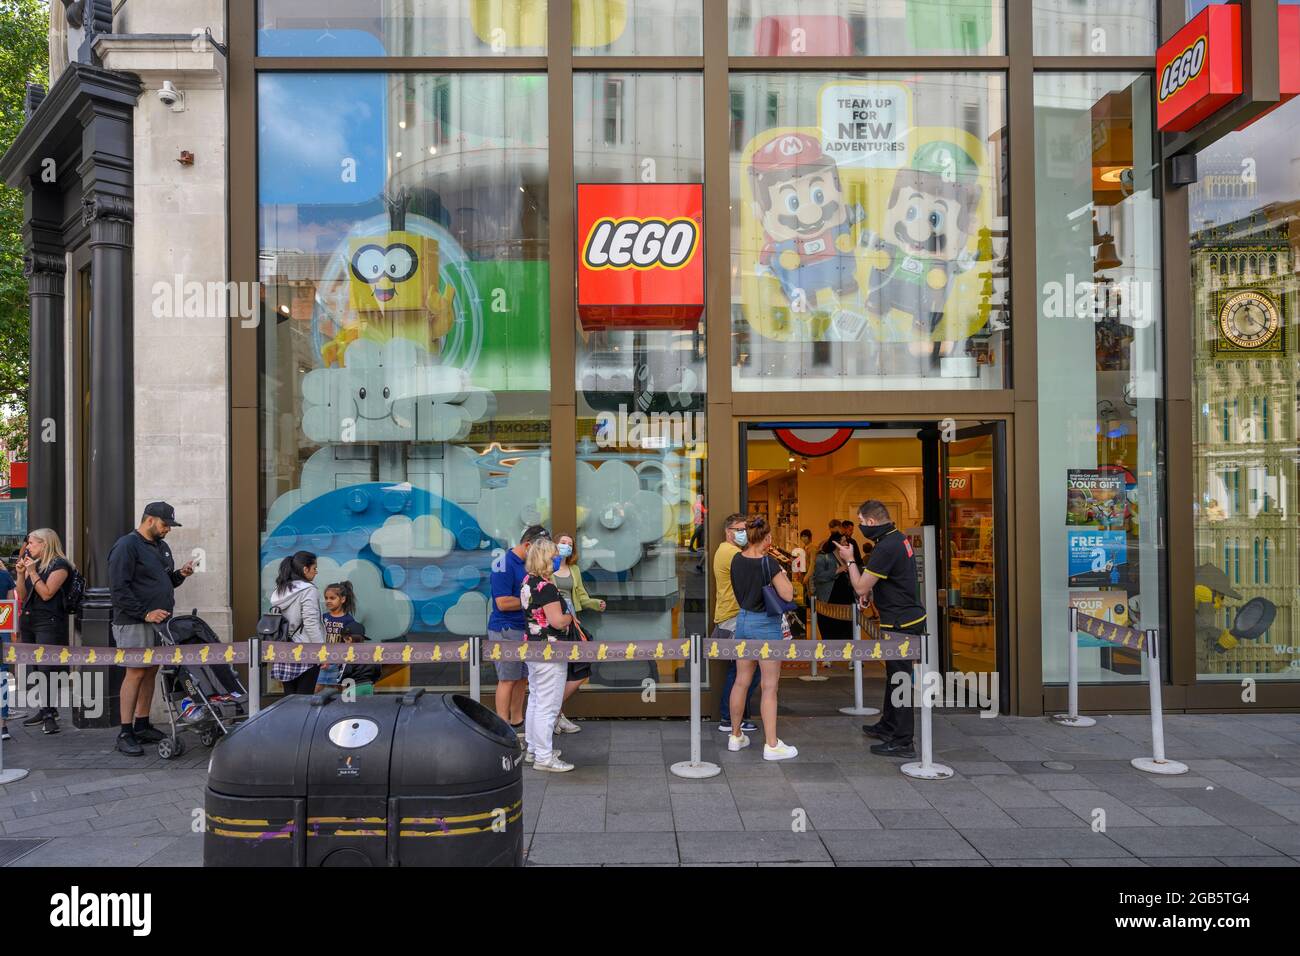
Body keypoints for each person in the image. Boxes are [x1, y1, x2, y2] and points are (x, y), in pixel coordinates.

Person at [837, 500, 925, 759]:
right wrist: (872, 594)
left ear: (871, 522)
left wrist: (850, 560)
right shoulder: (895, 538)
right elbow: (887, 580)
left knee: (900, 679)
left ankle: (903, 739)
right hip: (902, 617)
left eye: (861, 522)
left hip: (901, 621)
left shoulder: (886, 546)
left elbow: (861, 586)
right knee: (895, 675)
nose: (861, 527)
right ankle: (889, 725)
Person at [108, 502, 195, 755]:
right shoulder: (126, 546)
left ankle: (142, 724)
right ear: (149, 520)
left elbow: (166, 581)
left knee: (150, 672)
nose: (168, 529)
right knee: (135, 672)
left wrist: (181, 574)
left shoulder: (162, 547)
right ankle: (125, 732)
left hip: (160, 622)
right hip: (134, 622)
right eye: (165, 524)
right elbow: (118, 589)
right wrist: (145, 613)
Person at [726, 515, 798, 761]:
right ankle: (772, 744)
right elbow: (787, 594)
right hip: (766, 624)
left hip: (743, 620)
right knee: (769, 686)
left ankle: (735, 736)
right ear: (767, 538)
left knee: (741, 681)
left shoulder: (736, 560)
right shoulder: (769, 564)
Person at [520, 536, 574, 773]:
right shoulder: (547, 587)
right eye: (553, 557)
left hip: (533, 648)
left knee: (535, 700)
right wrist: (569, 616)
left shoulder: (527, 582)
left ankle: (534, 749)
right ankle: (544, 756)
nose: (556, 560)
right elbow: (557, 621)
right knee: (548, 705)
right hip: (550, 651)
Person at [14, 529, 74, 736]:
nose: (28, 547)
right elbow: (22, 595)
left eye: (31, 543)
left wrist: (31, 572)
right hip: (29, 619)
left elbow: (47, 594)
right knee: (36, 666)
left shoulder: (60, 565)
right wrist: (21, 574)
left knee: (47, 667)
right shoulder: (35, 564)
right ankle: (45, 709)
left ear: (45, 544)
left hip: (48, 621)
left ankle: (49, 714)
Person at [490, 524, 548, 733]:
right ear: (527, 544)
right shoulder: (503, 564)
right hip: (506, 629)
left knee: (522, 678)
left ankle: (517, 723)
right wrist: (534, 599)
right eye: (539, 550)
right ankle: (502, 730)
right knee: (507, 679)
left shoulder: (527, 563)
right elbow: (502, 603)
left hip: (525, 629)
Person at [551, 533, 604, 735]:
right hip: (554, 625)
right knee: (558, 672)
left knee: (580, 667)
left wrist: (595, 604)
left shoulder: (574, 570)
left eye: (569, 544)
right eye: (562, 542)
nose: (565, 546)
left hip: (572, 624)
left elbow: (581, 595)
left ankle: (554, 712)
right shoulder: (547, 569)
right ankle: (555, 715)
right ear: (554, 544)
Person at [712, 513, 757, 734]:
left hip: (732, 616)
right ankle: (729, 717)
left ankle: (734, 716)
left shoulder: (730, 551)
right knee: (743, 670)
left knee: (743, 669)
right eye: (740, 529)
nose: (744, 533)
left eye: (746, 529)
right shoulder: (731, 553)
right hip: (733, 617)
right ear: (729, 532)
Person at [267, 551, 325, 695]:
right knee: (304, 700)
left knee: (289, 698)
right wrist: (322, 652)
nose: (316, 572)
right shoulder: (308, 590)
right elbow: (311, 623)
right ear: (305, 569)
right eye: (314, 568)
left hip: (283, 649)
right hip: (306, 650)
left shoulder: (280, 590)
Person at [316, 581, 357, 693]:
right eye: (326, 598)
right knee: (316, 689)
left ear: (342, 599)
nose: (328, 601)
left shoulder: (348, 620)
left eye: (332, 598)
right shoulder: (323, 618)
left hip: (339, 664)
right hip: (323, 662)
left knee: (340, 692)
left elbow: (350, 645)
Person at [812, 533, 854, 642]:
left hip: (846, 599)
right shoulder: (823, 557)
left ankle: (848, 652)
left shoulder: (847, 557)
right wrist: (838, 570)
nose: (846, 543)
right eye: (844, 541)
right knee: (830, 626)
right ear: (836, 543)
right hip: (829, 598)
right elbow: (819, 577)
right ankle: (830, 653)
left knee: (848, 626)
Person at [335, 621, 380, 696]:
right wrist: (373, 681)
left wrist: (339, 678)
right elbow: (377, 670)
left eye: (344, 640)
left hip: (353, 687)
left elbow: (344, 674)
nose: (344, 643)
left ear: (349, 639)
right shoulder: (371, 653)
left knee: (352, 707)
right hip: (368, 686)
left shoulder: (349, 655)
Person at [0, 557, 14, 740]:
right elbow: (10, 606)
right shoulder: (5, 577)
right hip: (2, 631)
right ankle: (3, 725)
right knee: (1, 678)